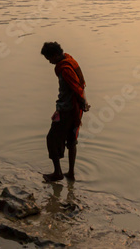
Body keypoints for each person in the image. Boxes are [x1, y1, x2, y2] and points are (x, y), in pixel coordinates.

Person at [41, 41, 90, 182]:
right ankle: (71, 173)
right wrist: (84, 103)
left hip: (67, 110)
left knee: (51, 139)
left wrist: (83, 102)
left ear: (55, 55)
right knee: (71, 141)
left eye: (49, 59)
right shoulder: (70, 60)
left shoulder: (65, 69)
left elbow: (77, 88)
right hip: (75, 110)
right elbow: (82, 85)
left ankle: (58, 173)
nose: (50, 62)